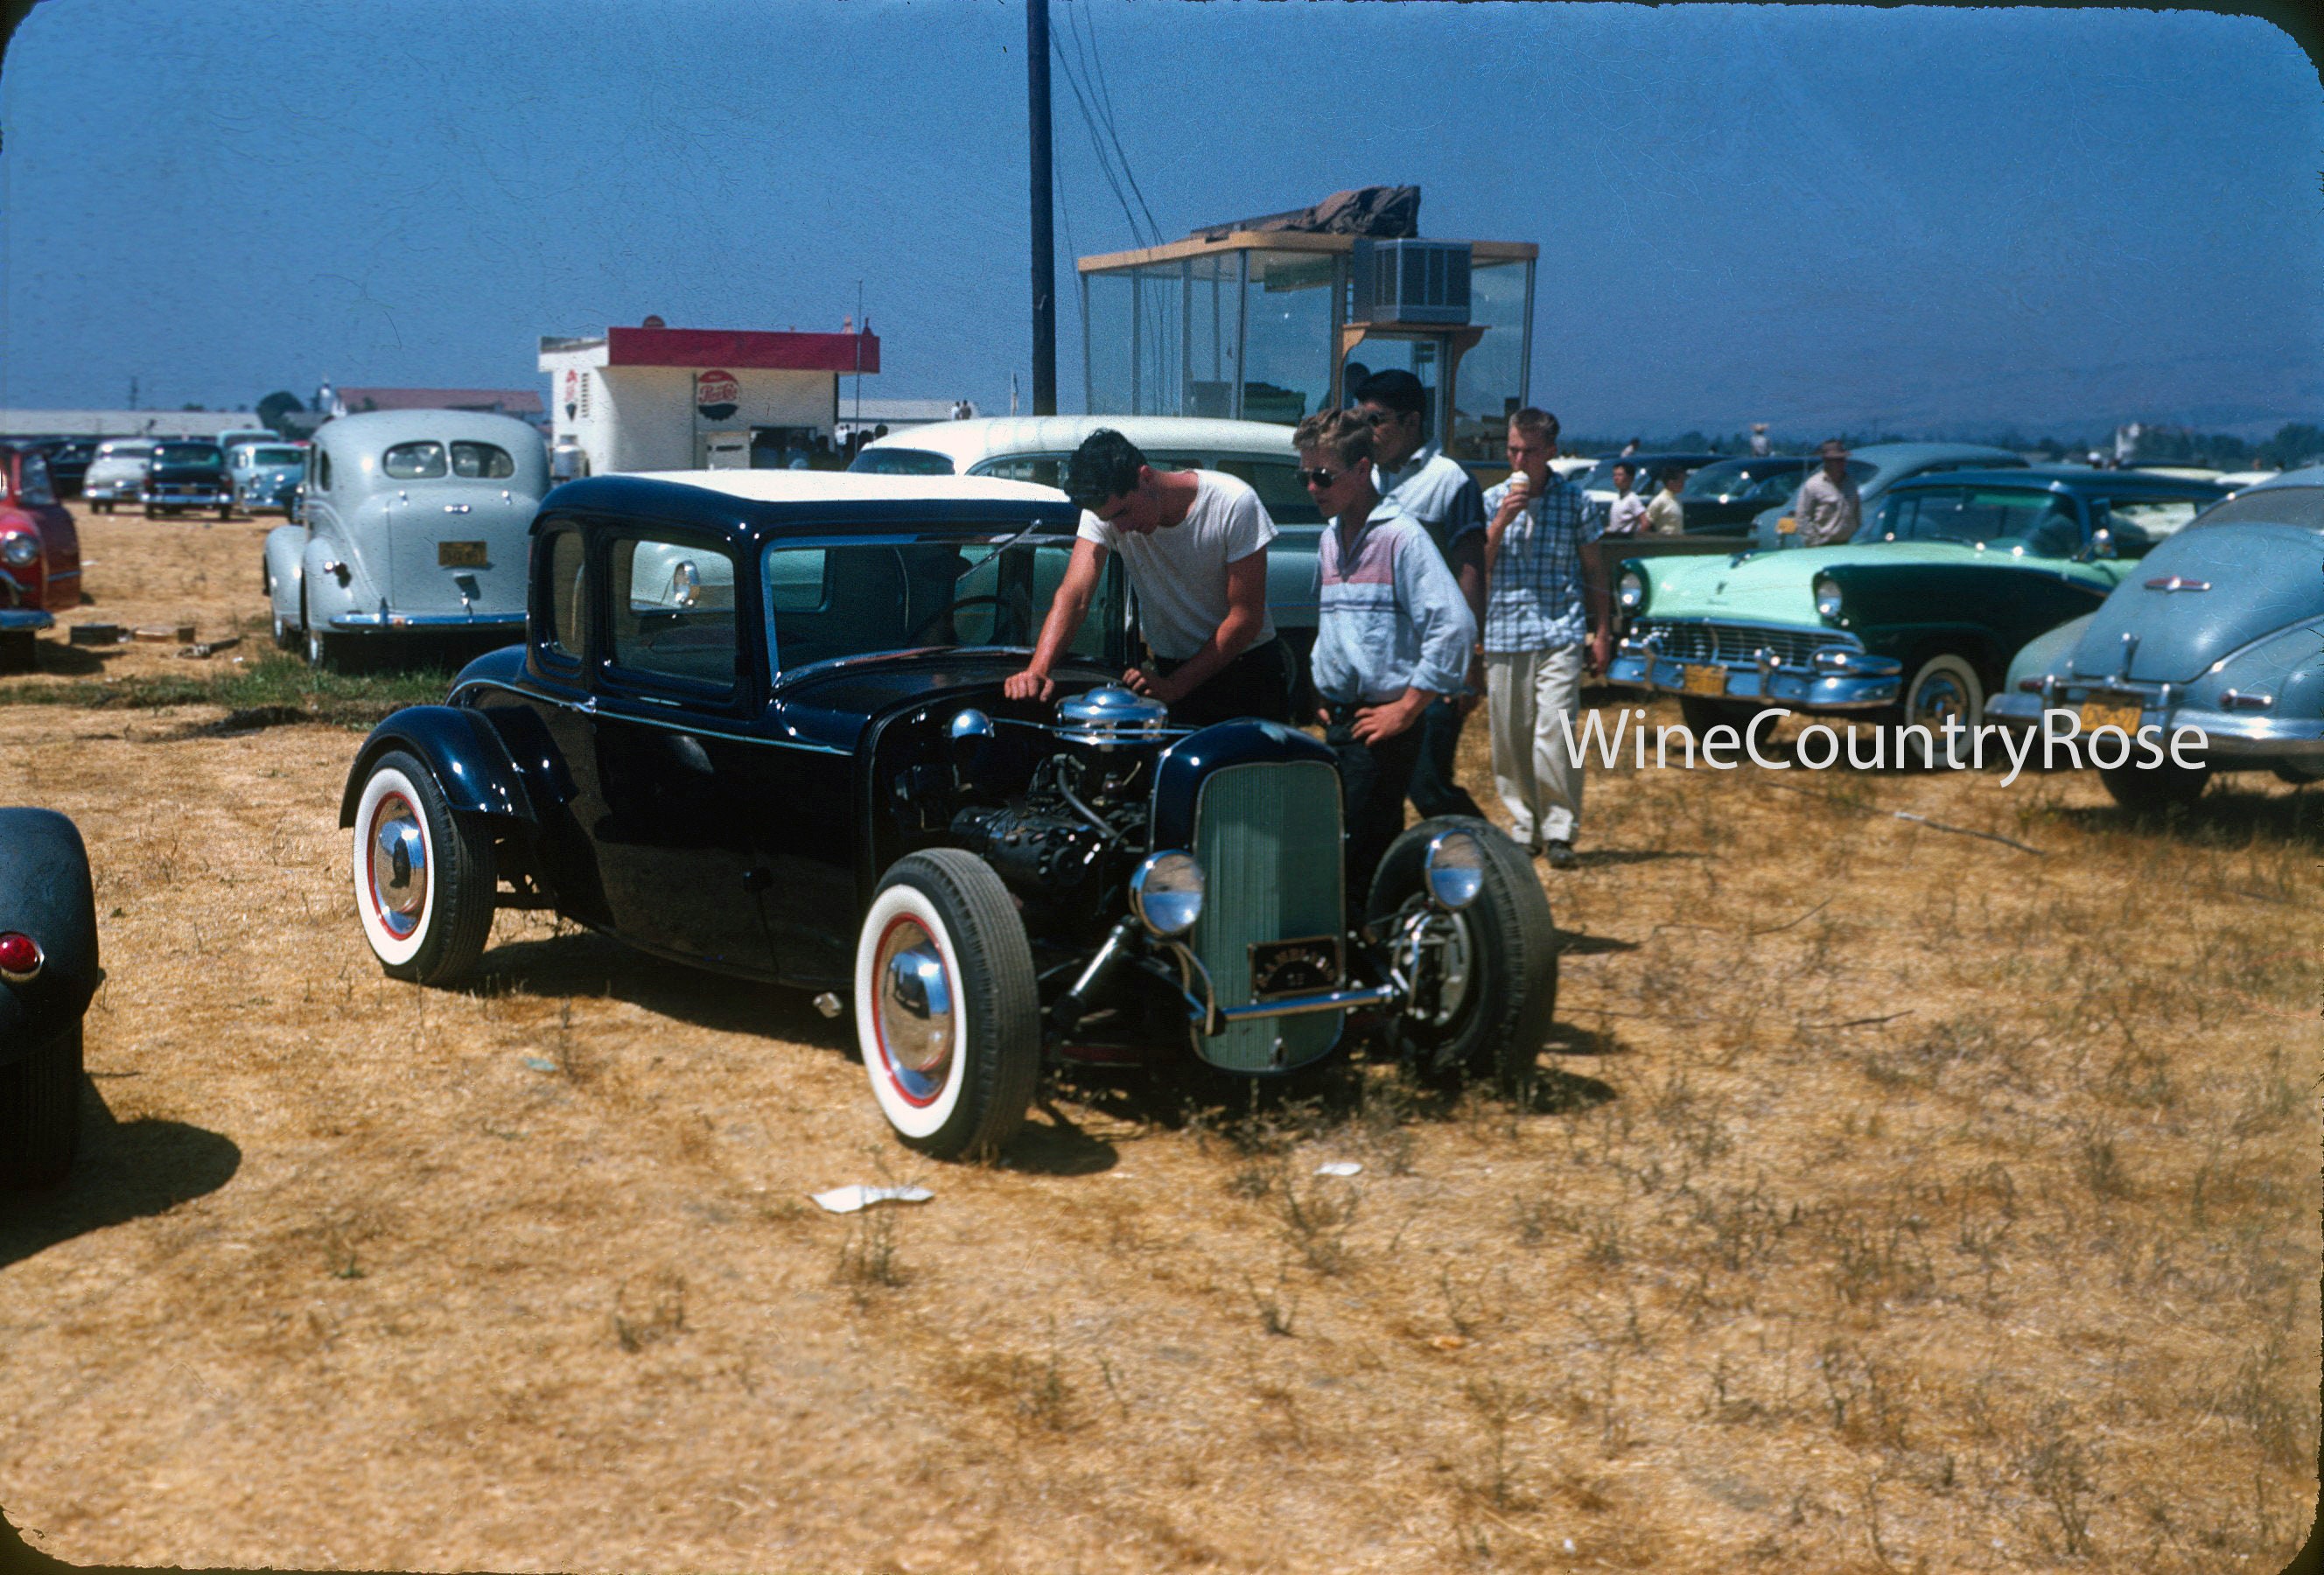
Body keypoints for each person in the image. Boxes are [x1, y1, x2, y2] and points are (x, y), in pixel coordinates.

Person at [1296, 409, 1474, 911]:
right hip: (1344, 718)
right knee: (1344, 848)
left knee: (1363, 856)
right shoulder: (1330, 538)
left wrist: (1409, 706)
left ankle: (1372, 958)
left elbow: (1454, 625)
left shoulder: (1402, 536)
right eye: (1304, 475)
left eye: (1323, 476)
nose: (1312, 487)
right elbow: (1334, 623)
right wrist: (1320, 687)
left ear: (1362, 468)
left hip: (1385, 724)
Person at [1004, 428, 1290, 726]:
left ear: (1146, 477)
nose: (1122, 527)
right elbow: (1075, 596)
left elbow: (1245, 618)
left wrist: (1176, 685)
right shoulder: (1107, 511)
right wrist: (1037, 670)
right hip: (1171, 672)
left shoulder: (1234, 502)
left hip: (1246, 672)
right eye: (1111, 519)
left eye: (1124, 512)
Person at [1354, 368, 1488, 821]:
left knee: (1428, 786)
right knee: (1376, 787)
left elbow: (1471, 571)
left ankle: (1485, 865)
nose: (1367, 432)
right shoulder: (1365, 480)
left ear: (1412, 422)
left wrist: (1468, 661)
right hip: (1377, 661)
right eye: (1360, 419)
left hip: (1432, 661)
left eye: (1377, 420)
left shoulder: (1449, 481)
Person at [1479, 408, 1601, 870]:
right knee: (1510, 735)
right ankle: (1524, 825)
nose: (1519, 460)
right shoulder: (1492, 499)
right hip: (1505, 629)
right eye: (1512, 450)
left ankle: (1559, 829)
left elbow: (1594, 570)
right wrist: (1501, 523)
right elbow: (1478, 564)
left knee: (1555, 730)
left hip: (1559, 629)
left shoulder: (1575, 502)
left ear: (1550, 452)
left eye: (1529, 451)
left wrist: (1602, 630)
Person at [1790, 439, 1862, 548]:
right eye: (1836, 460)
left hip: (1848, 544)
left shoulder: (1851, 483)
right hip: (1823, 545)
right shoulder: (1813, 485)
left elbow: (1857, 513)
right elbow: (1802, 517)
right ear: (1827, 461)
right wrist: (1814, 543)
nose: (1841, 463)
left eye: (1842, 459)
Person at [1604, 460, 1648, 536]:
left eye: (1620, 475)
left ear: (1630, 478)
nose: (1616, 478)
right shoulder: (1617, 499)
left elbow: (1645, 523)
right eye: (1614, 475)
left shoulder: (1632, 499)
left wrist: (1635, 540)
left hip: (1625, 542)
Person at [1643, 466, 1686, 536]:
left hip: (1678, 543)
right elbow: (1646, 524)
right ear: (1671, 482)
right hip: (1664, 543)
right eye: (1680, 481)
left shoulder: (1677, 500)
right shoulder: (1659, 501)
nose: (1683, 484)